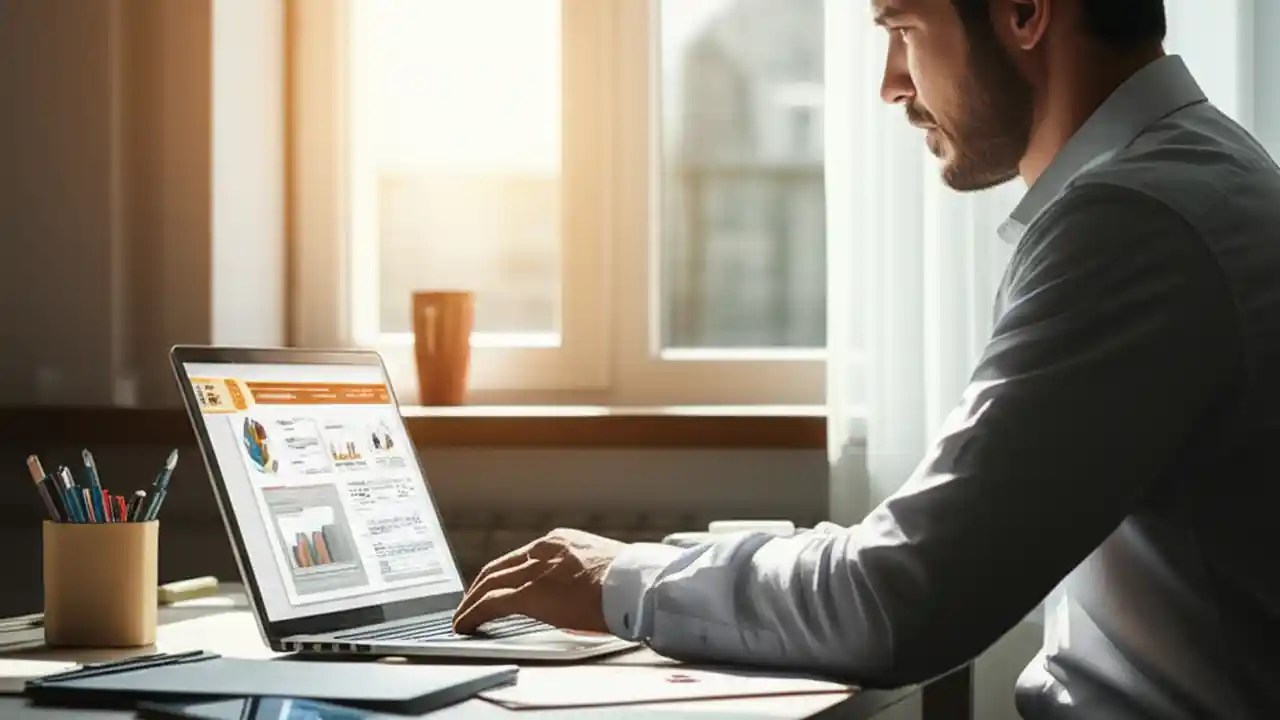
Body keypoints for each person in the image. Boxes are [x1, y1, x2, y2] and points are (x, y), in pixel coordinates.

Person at [454, 0, 1280, 716]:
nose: (892, 82)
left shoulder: (1133, 225)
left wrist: (618, 580)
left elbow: (902, 600)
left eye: (903, 28)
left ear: (1025, 12)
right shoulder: (1197, 180)